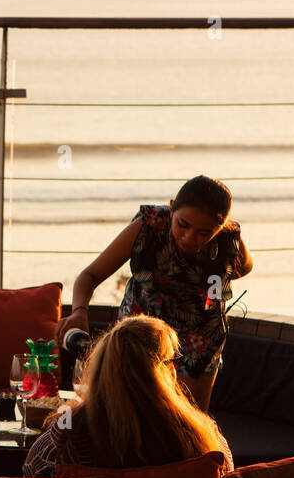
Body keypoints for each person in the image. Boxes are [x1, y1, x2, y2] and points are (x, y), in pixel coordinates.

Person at [56, 174, 253, 413]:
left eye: (204, 233)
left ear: (221, 227)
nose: (190, 237)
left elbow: (245, 266)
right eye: (183, 224)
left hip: (200, 335)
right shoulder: (148, 226)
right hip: (141, 329)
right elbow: (90, 276)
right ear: (171, 208)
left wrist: (223, 250)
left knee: (188, 421)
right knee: (126, 412)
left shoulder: (226, 237)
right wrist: (79, 312)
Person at [24, 315, 233, 478]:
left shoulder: (69, 435)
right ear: (162, 371)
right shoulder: (200, 436)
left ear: (103, 367)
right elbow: (226, 476)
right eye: (174, 360)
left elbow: (31, 472)